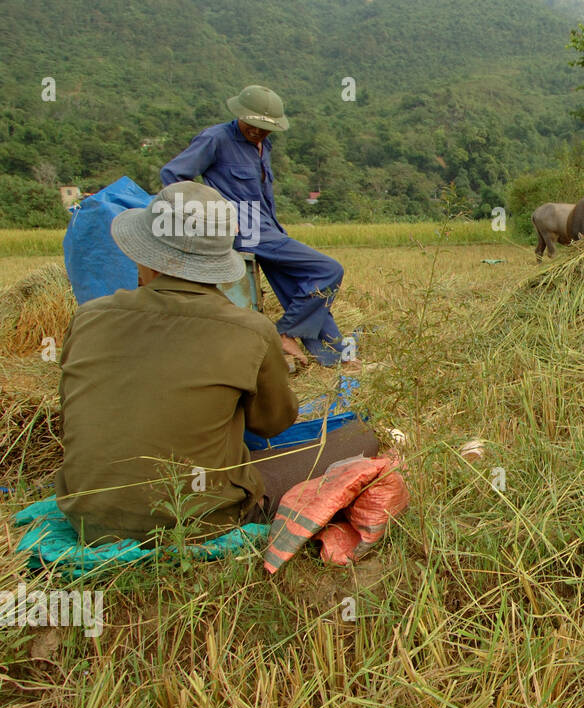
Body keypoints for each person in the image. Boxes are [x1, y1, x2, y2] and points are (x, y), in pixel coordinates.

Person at [55, 181, 378, 544]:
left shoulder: (89, 318)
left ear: (144, 257)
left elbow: (72, 414)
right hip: (200, 517)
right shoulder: (250, 330)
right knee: (360, 436)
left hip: (85, 514)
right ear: (220, 263)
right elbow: (273, 424)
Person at [160, 85, 355, 367]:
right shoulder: (215, 139)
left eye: (265, 128)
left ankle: (333, 359)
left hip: (267, 227)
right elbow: (173, 175)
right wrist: (206, 218)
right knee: (327, 270)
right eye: (252, 125)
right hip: (243, 229)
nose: (258, 132)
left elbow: (263, 196)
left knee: (301, 286)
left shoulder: (265, 146)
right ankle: (283, 333)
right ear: (240, 114)